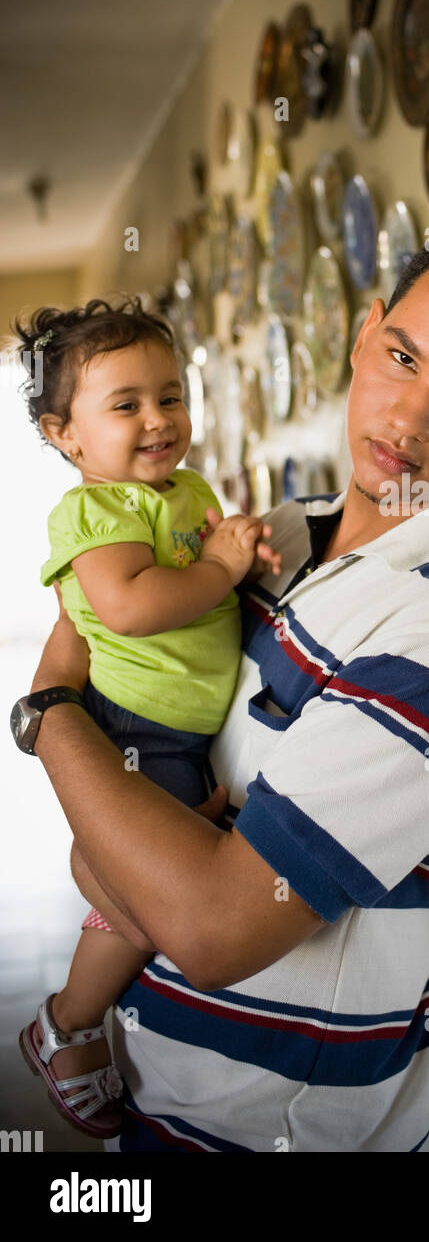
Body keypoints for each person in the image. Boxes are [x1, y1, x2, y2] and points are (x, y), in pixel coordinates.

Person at [16, 228, 429, 1152]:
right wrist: (130, 855)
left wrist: (47, 713)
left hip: (274, 1132)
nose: (411, 420)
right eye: (402, 358)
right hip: (156, 1092)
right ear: (363, 336)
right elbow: (114, 852)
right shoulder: (278, 536)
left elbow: (205, 927)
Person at [10, 299, 281, 1138]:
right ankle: (68, 1025)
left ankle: (107, 916)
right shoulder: (92, 517)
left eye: (171, 395)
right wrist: (222, 568)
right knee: (162, 895)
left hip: (184, 728)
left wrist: (243, 545)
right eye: (125, 405)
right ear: (67, 436)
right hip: (133, 726)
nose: (158, 419)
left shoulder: (185, 489)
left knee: (152, 880)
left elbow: (214, 554)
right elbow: (130, 607)